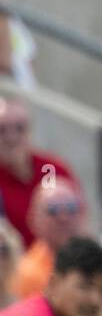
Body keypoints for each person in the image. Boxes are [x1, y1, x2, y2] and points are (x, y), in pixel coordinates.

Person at [0, 97, 79, 250]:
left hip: (60, 260)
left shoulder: (53, 169)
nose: (11, 137)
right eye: (2, 130)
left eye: (19, 128)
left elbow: (80, 216)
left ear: (30, 131)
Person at [13, 177, 86, 300]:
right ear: (33, 220)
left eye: (71, 208)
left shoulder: (98, 263)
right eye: (53, 210)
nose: (63, 218)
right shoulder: (25, 274)